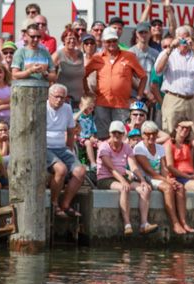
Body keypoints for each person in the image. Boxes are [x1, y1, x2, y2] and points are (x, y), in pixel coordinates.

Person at [83, 28, 147, 139]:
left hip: (122, 104)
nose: (112, 44)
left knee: (121, 136)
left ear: (117, 41)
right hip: (101, 104)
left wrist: (139, 96)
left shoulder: (129, 56)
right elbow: (83, 74)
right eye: (108, 41)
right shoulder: (97, 58)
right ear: (103, 42)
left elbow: (143, 76)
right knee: (102, 136)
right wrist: (88, 92)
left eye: (114, 40)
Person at [97, 120, 158, 235]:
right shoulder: (104, 147)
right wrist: (123, 181)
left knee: (146, 189)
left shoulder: (126, 147)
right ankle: (127, 224)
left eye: (119, 133)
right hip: (106, 178)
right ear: (110, 133)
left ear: (123, 134)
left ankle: (144, 224)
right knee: (124, 188)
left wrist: (142, 180)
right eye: (114, 132)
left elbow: (133, 166)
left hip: (123, 176)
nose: (117, 135)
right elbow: (111, 169)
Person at [133, 121, 194, 235]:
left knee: (180, 187)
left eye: (154, 133)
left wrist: (168, 178)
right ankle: (175, 223)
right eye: (148, 134)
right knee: (168, 188)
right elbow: (149, 171)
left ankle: (183, 222)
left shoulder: (160, 148)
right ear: (143, 135)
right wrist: (167, 181)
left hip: (158, 177)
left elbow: (164, 168)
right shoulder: (139, 148)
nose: (151, 136)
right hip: (146, 178)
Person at [155, 26, 194, 135]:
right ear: (175, 38)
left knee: (193, 135)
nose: (183, 41)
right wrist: (170, 49)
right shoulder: (167, 53)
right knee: (169, 133)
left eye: (186, 37)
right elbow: (158, 70)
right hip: (173, 98)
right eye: (180, 38)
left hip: (193, 99)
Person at [45, 83, 86, 218]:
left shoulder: (67, 108)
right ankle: (54, 204)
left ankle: (65, 204)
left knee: (80, 171)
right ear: (49, 96)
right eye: (56, 97)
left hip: (61, 147)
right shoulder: (42, 107)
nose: (59, 100)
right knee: (61, 169)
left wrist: (69, 149)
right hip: (45, 147)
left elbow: (70, 131)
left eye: (62, 98)